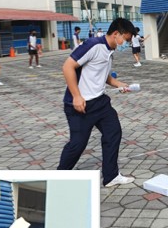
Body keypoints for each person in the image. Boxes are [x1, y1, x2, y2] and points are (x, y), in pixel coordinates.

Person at [56, 17, 137, 188]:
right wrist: (77, 96)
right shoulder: (93, 45)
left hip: (100, 103)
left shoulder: (109, 51)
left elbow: (102, 73)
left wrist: (118, 84)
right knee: (77, 145)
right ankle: (59, 177)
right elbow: (67, 67)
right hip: (81, 105)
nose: (127, 44)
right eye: (127, 39)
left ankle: (111, 176)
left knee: (113, 132)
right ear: (116, 34)